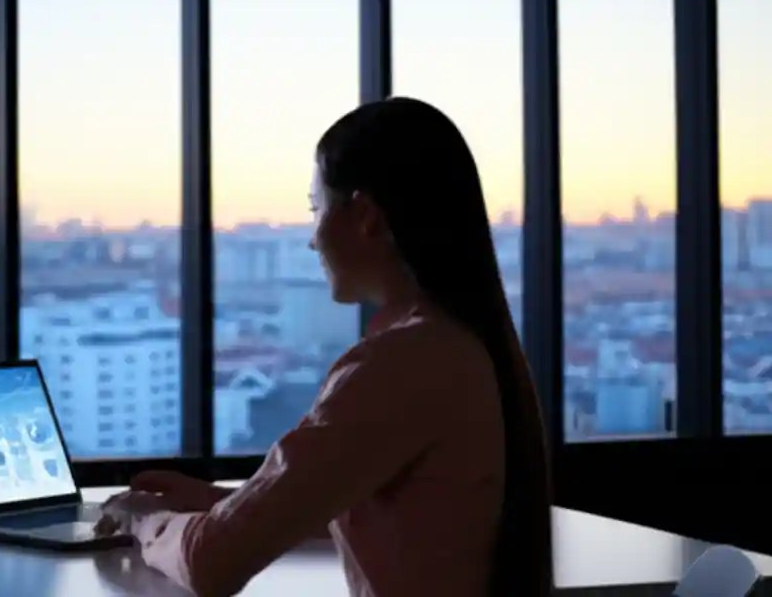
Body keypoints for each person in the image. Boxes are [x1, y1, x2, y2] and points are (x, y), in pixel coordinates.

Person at [95, 97, 553, 597]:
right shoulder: (459, 344)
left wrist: (144, 522)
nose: (312, 240)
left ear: (365, 217)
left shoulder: (398, 365)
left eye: (316, 209)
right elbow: (364, 503)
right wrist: (219, 501)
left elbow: (210, 562)